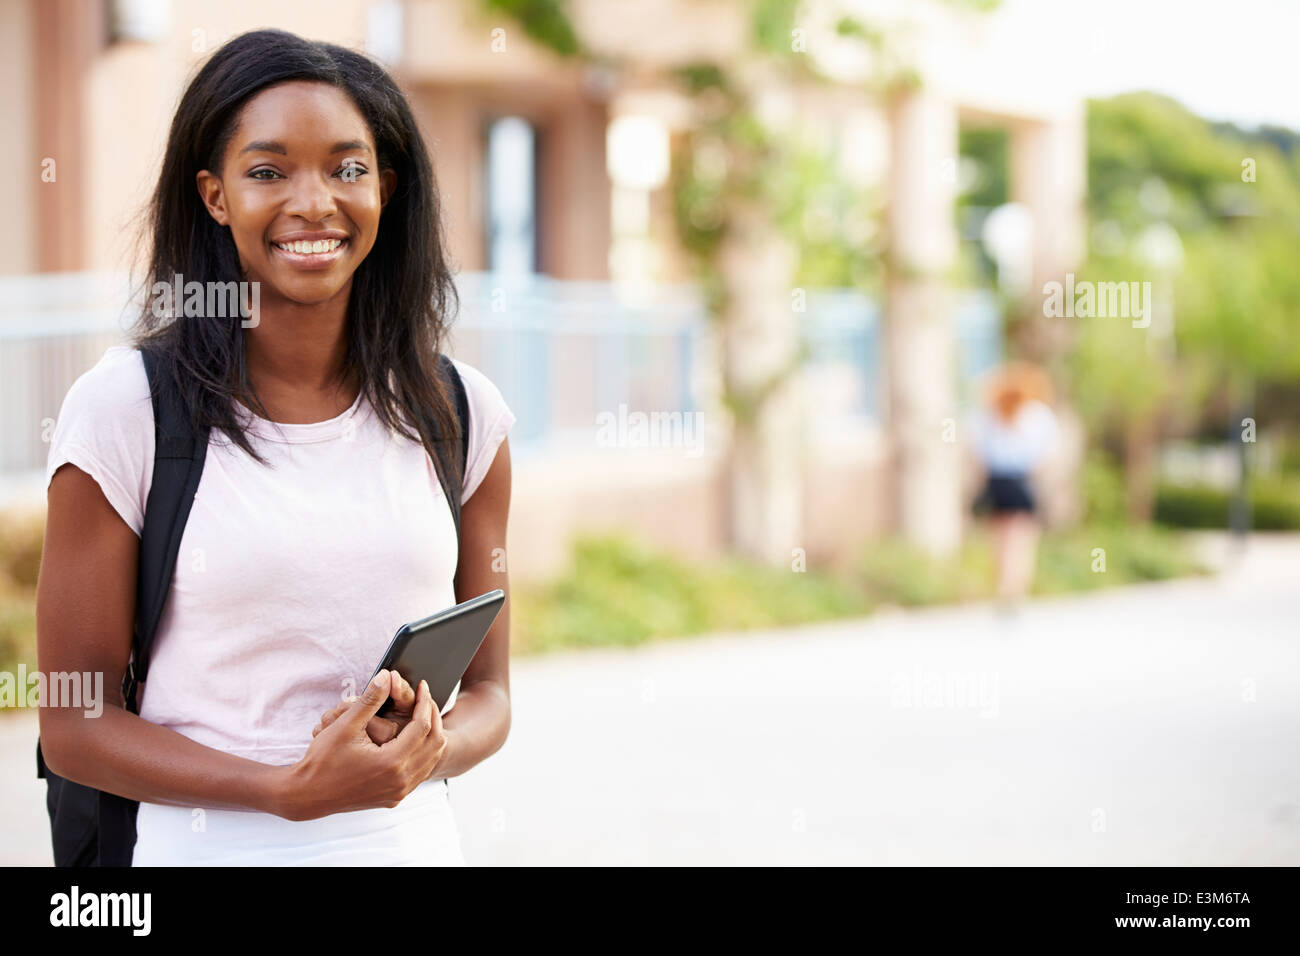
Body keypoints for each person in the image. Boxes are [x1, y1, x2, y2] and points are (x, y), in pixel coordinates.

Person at [36, 30, 516, 865]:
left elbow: (492, 696)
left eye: (347, 167)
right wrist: (283, 791)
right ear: (216, 196)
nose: (315, 202)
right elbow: (74, 724)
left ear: (386, 188)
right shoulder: (127, 411)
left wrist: (422, 750)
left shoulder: (461, 412)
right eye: (268, 171)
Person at [968, 362, 1058, 605]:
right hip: (1020, 480)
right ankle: (1016, 587)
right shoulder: (1036, 414)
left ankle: (1003, 585)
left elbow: (978, 452)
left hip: (997, 481)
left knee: (1000, 537)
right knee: (1023, 538)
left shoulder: (988, 415)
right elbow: (1044, 453)